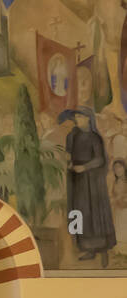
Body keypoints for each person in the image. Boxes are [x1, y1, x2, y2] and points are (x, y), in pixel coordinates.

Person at [63, 107, 116, 266]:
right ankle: (86, 248)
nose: (77, 120)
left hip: (92, 183)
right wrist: (69, 162)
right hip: (77, 181)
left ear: (88, 119)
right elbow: (68, 153)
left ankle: (102, 249)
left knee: (95, 214)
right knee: (79, 213)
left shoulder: (94, 138)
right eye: (76, 117)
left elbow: (100, 160)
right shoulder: (72, 135)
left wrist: (85, 167)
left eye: (80, 117)